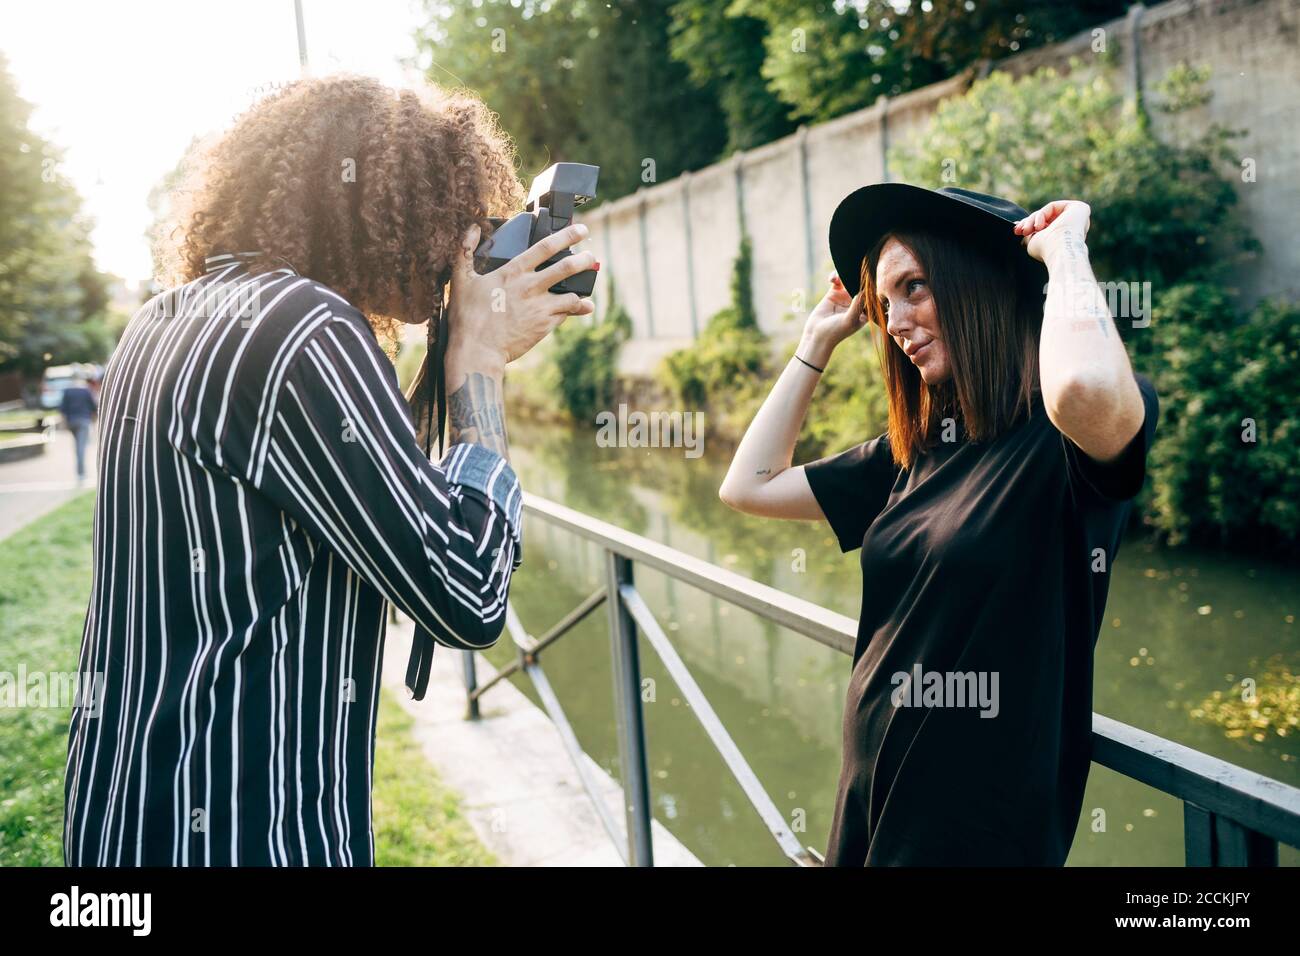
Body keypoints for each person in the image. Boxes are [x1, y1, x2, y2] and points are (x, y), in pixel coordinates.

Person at [63, 75, 597, 866]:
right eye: (449, 218)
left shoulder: (163, 319)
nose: (463, 249)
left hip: (124, 814)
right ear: (382, 207)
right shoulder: (306, 331)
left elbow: (370, 499)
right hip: (252, 827)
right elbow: (466, 596)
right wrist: (479, 365)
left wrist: (453, 357)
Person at [719, 184, 1159, 866]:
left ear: (978, 277)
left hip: (973, 835)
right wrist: (816, 342)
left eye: (915, 287)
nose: (894, 320)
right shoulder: (913, 451)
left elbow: (1084, 390)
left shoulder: (1063, 445)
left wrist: (1064, 250)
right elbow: (748, 485)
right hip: (869, 803)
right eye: (884, 303)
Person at [59, 371, 98, 482]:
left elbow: (63, 409)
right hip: (84, 421)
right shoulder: (86, 391)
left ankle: (80, 471)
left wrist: (64, 423)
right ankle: (81, 473)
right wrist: (94, 423)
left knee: (77, 446)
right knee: (81, 447)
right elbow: (94, 408)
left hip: (72, 422)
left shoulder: (67, 391)